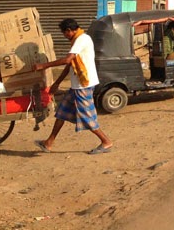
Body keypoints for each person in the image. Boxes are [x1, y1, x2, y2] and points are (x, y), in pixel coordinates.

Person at [34, 18, 114, 155]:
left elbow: (67, 60)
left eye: (65, 34)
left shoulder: (82, 39)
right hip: (77, 86)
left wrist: (44, 66)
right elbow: (70, 65)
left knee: (87, 117)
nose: (65, 36)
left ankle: (106, 142)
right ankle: (49, 143)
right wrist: (57, 83)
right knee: (62, 113)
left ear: (69, 31)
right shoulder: (77, 40)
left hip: (84, 86)